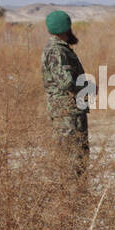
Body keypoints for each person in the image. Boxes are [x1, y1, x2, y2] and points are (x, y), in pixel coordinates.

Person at [40, 9, 89, 176]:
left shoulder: (56, 48)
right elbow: (66, 82)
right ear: (67, 29)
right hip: (68, 112)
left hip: (66, 111)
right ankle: (74, 197)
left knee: (71, 156)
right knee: (74, 158)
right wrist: (85, 87)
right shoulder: (57, 51)